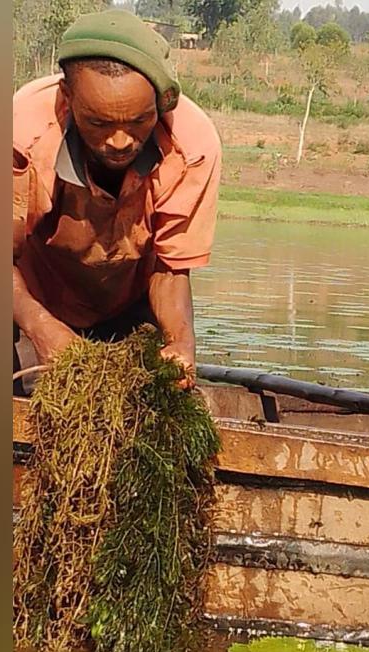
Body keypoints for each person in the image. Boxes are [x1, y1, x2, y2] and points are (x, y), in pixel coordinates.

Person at [12, 10, 221, 393]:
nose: (121, 141)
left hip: (125, 299)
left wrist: (181, 342)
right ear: (68, 98)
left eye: (139, 120)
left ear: (161, 103)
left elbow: (171, 266)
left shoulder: (192, 147)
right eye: (98, 123)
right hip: (26, 290)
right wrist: (41, 327)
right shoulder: (20, 132)